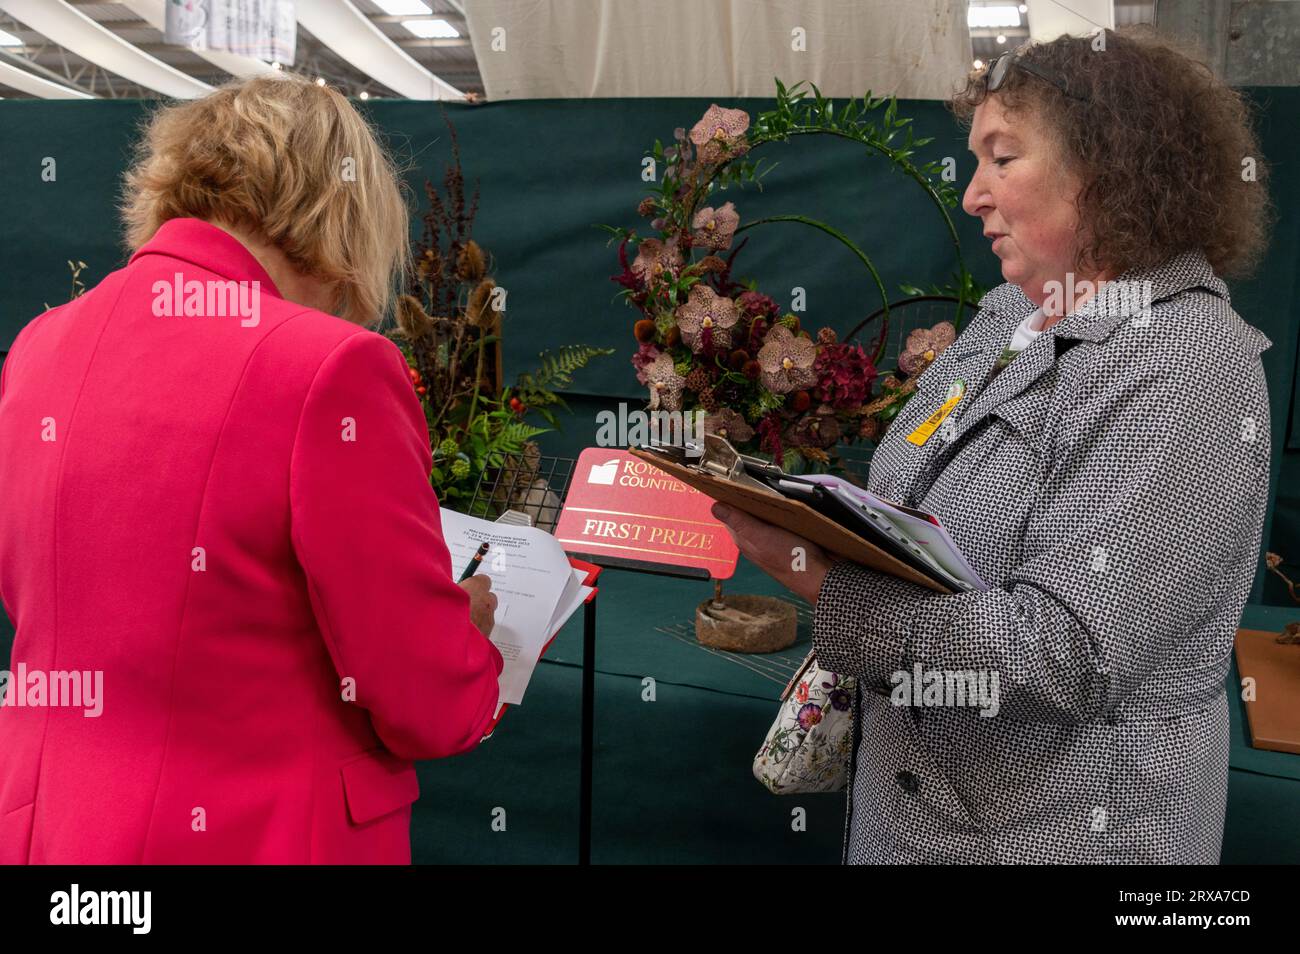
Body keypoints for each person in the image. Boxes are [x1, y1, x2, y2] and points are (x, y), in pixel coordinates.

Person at [713, 29, 1272, 863]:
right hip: (914, 818)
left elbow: (1066, 657)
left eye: (1002, 159)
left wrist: (816, 578)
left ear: (1109, 169)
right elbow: (916, 492)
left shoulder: (1189, 362)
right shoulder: (1015, 313)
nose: (973, 194)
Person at [0, 74, 502, 864]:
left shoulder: (38, 347)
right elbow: (419, 697)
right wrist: (469, 638)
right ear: (340, 209)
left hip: (48, 831)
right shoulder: (331, 366)